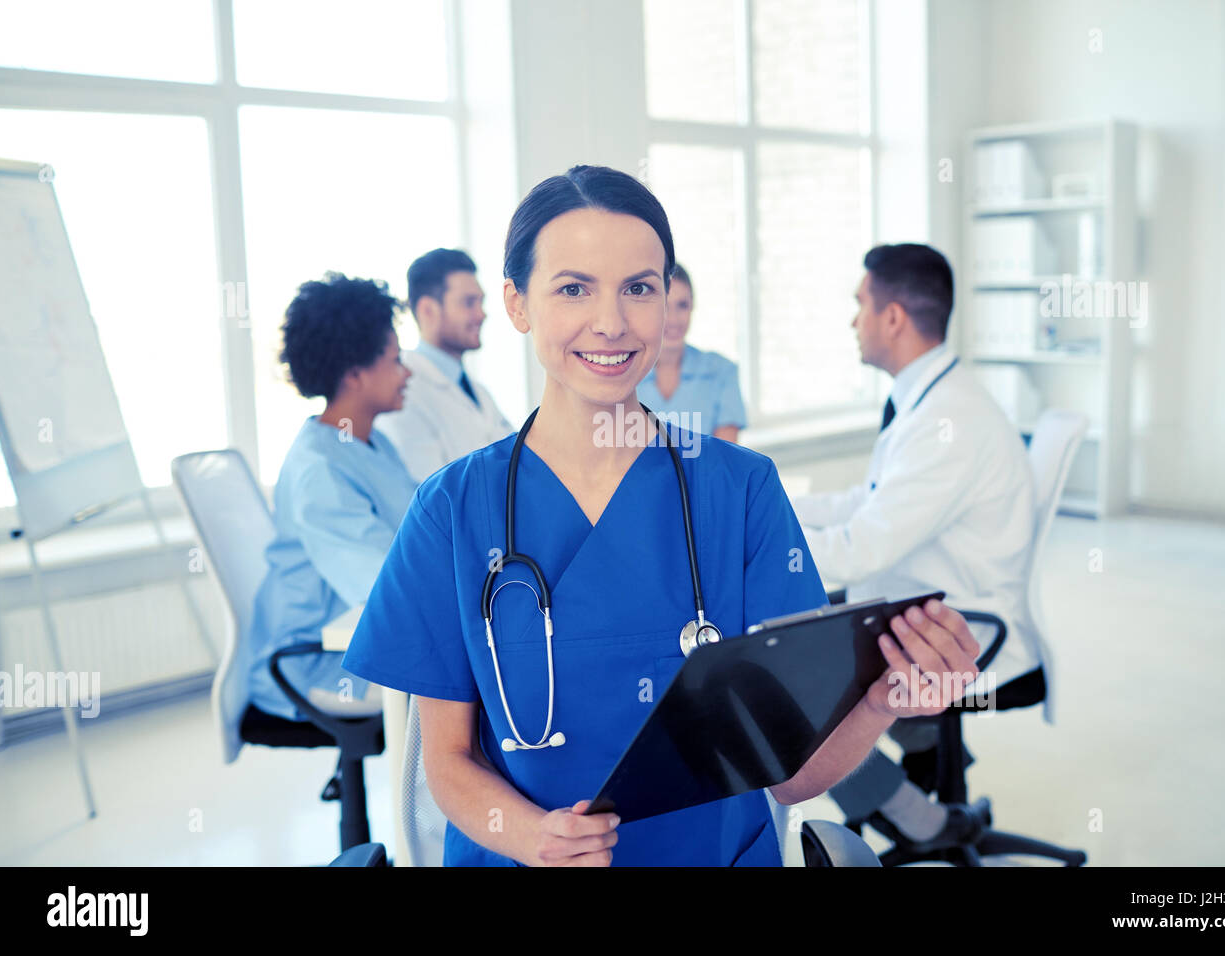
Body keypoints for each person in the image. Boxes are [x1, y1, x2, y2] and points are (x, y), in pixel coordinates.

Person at [341, 166, 981, 867]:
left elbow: (793, 776)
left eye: (639, 289)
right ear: (518, 304)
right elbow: (448, 762)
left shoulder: (741, 491)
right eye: (574, 288)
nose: (611, 322)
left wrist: (882, 699)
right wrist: (530, 837)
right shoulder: (451, 510)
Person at [792, 243, 1038, 845]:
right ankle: (930, 763)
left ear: (894, 317)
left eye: (860, 305)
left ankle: (922, 820)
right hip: (929, 600)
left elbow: (859, 549)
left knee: (787, 686)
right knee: (805, 636)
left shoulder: (945, 421)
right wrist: (775, 508)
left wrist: (757, 543)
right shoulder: (929, 398)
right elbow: (868, 500)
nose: (854, 321)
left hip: (961, 624)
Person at [246, 273, 419, 723]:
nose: (408, 372)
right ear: (356, 374)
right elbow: (383, 586)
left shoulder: (369, 445)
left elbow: (419, 541)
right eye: (396, 360)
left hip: (357, 640)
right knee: (472, 689)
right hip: (318, 665)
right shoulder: (319, 469)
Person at [377, 248, 512, 480]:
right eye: (469, 303)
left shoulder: (478, 392)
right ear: (428, 310)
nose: (481, 314)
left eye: (481, 302)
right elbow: (430, 494)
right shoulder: (403, 394)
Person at [636, 263, 746, 442]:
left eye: (682, 305)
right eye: (664, 306)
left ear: (693, 306)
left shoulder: (721, 372)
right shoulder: (623, 373)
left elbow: (722, 460)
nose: (673, 319)